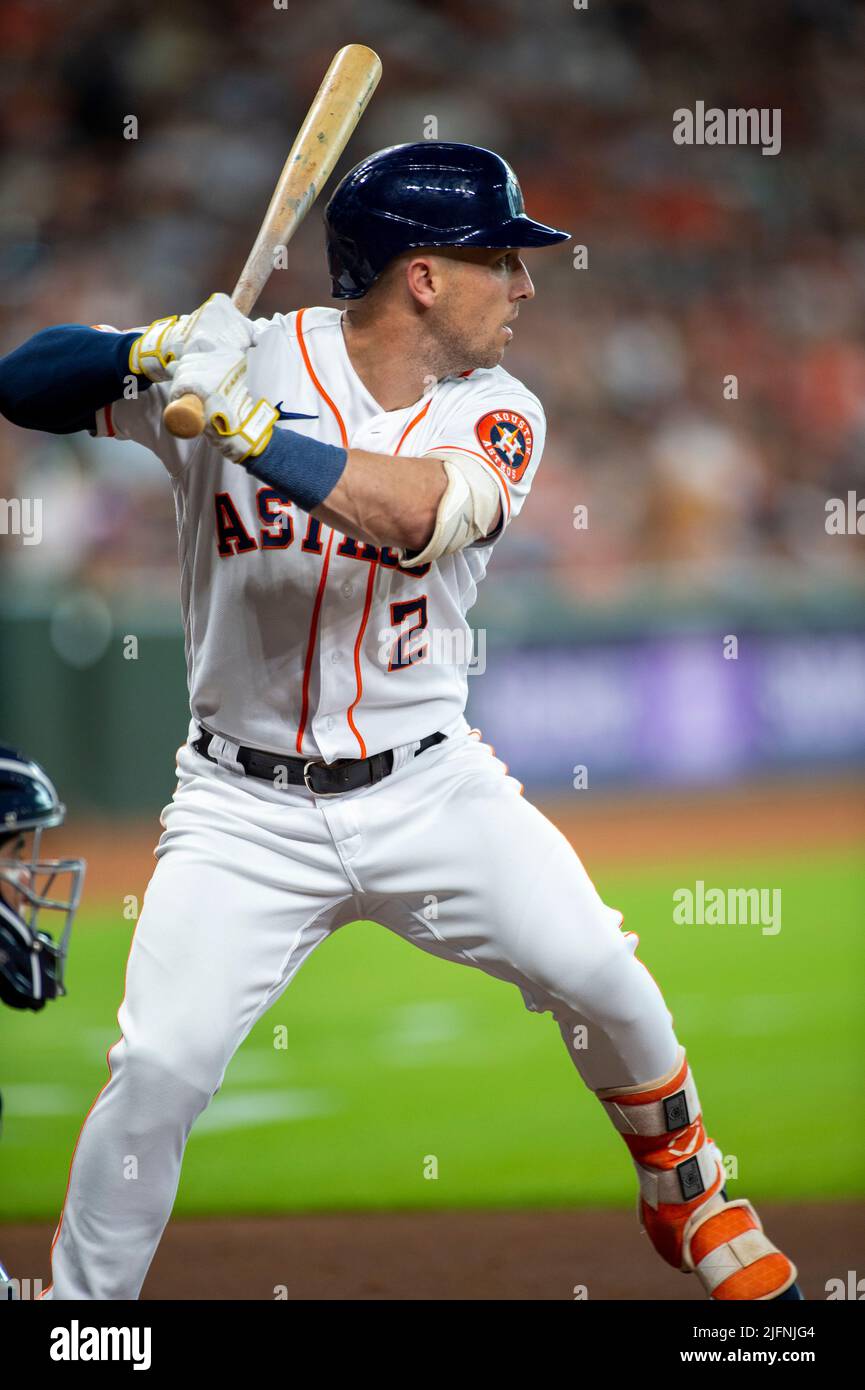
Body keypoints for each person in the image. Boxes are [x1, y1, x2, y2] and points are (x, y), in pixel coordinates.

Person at [0, 142, 801, 1301]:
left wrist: (251, 431)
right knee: (160, 1063)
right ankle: (78, 1315)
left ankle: (693, 1196)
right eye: (500, 261)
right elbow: (22, 382)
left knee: (601, 971)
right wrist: (147, 350)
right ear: (421, 275)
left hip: (429, 788)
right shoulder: (239, 358)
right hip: (241, 807)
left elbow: (417, 511)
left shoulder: (497, 407)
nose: (526, 285)